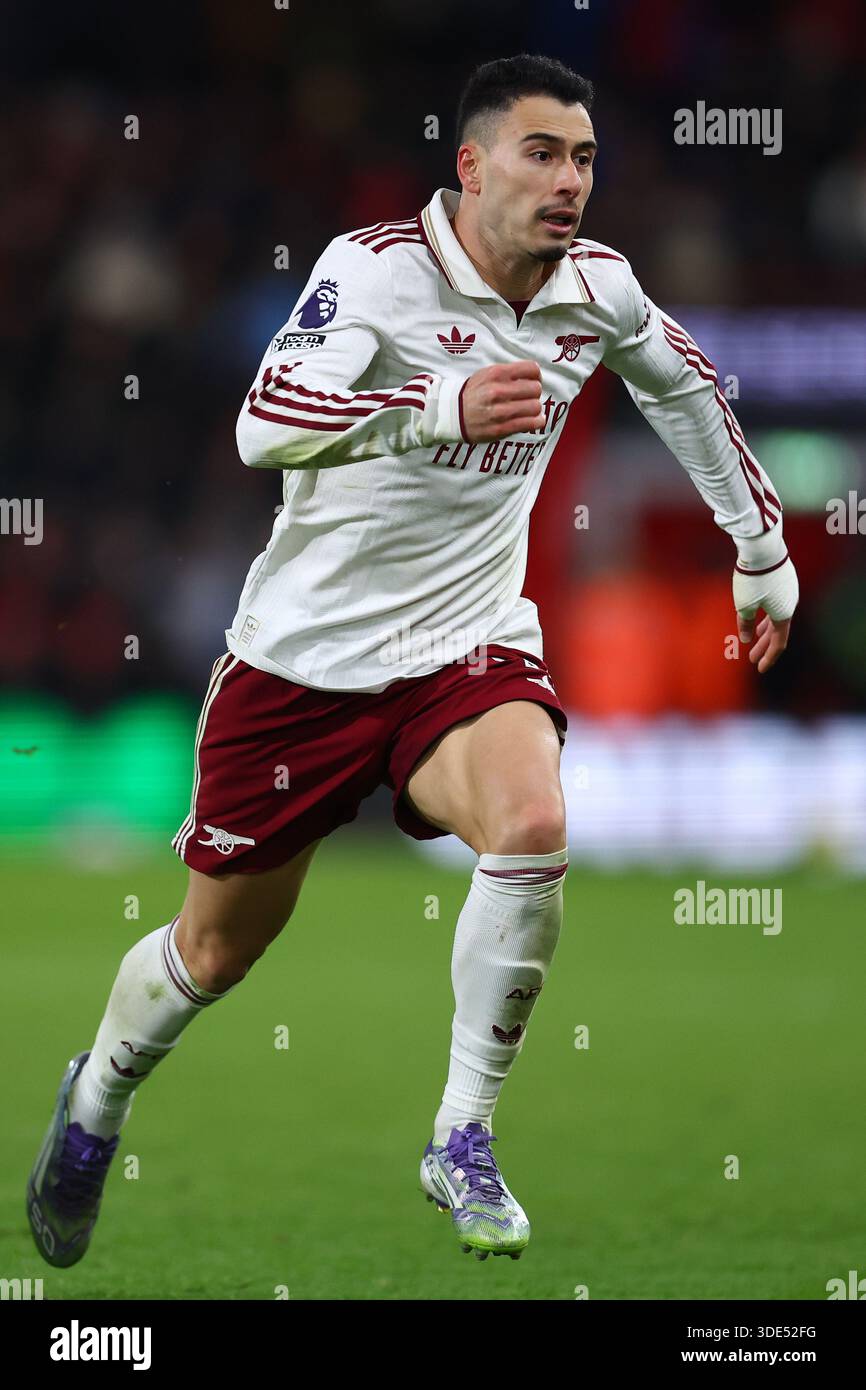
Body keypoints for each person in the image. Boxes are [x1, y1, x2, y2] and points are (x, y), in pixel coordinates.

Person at [27, 52, 798, 1269]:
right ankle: (97, 1098)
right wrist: (434, 406)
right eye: (541, 154)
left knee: (533, 821)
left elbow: (685, 384)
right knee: (213, 954)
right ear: (473, 163)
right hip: (300, 668)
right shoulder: (372, 272)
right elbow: (262, 425)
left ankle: (462, 1134)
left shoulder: (593, 288)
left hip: (466, 649)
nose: (567, 183)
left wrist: (758, 548)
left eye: (584, 158)